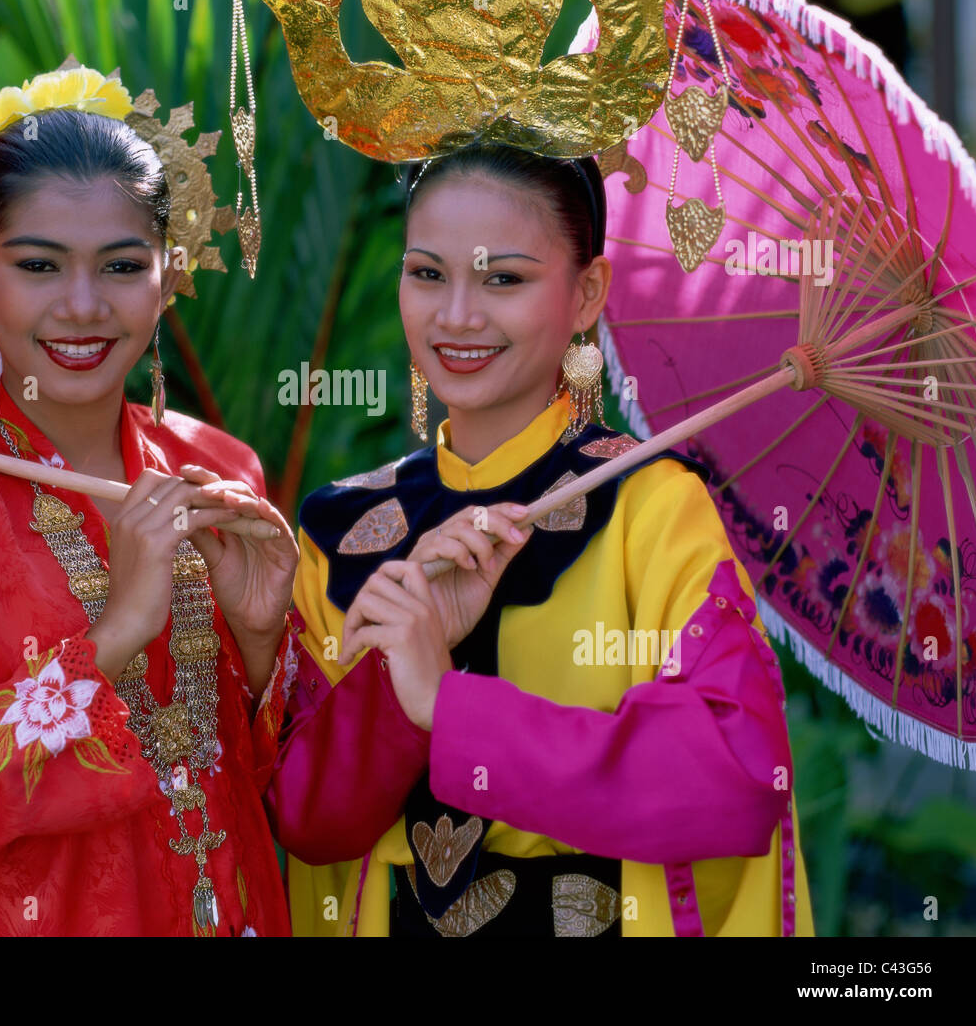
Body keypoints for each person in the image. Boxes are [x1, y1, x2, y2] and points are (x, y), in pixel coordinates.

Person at [266, 146, 816, 936]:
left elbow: (737, 776)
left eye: (504, 279)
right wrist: (392, 687)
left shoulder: (650, 507)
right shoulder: (346, 528)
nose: (456, 315)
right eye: (427, 273)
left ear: (587, 291)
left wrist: (448, 707)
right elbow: (310, 822)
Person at [0, 67, 299, 936]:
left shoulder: (218, 469)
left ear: (168, 273)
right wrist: (111, 637)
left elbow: (272, 781)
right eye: (37, 264)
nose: (83, 306)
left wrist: (264, 642)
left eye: (122, 265)